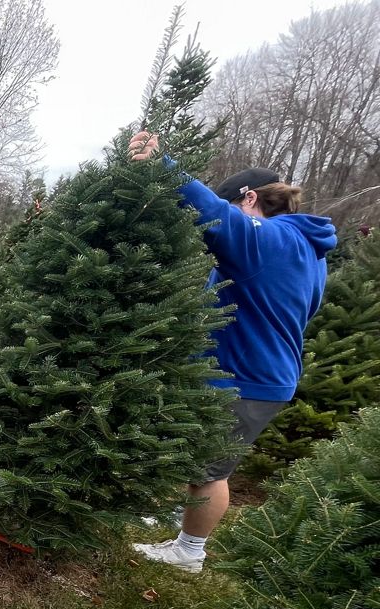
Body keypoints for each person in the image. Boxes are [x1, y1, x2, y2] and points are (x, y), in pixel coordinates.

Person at [127, 131, 337, 572]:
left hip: (245, 379)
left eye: (234, 206)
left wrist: (160, 164)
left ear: (251, 199)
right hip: (257, 373)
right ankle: (182, 515)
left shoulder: (269, 239)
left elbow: (215, 214)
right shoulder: (310, 252)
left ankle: (188, 551)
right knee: (197, 458)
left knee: (211, 471)